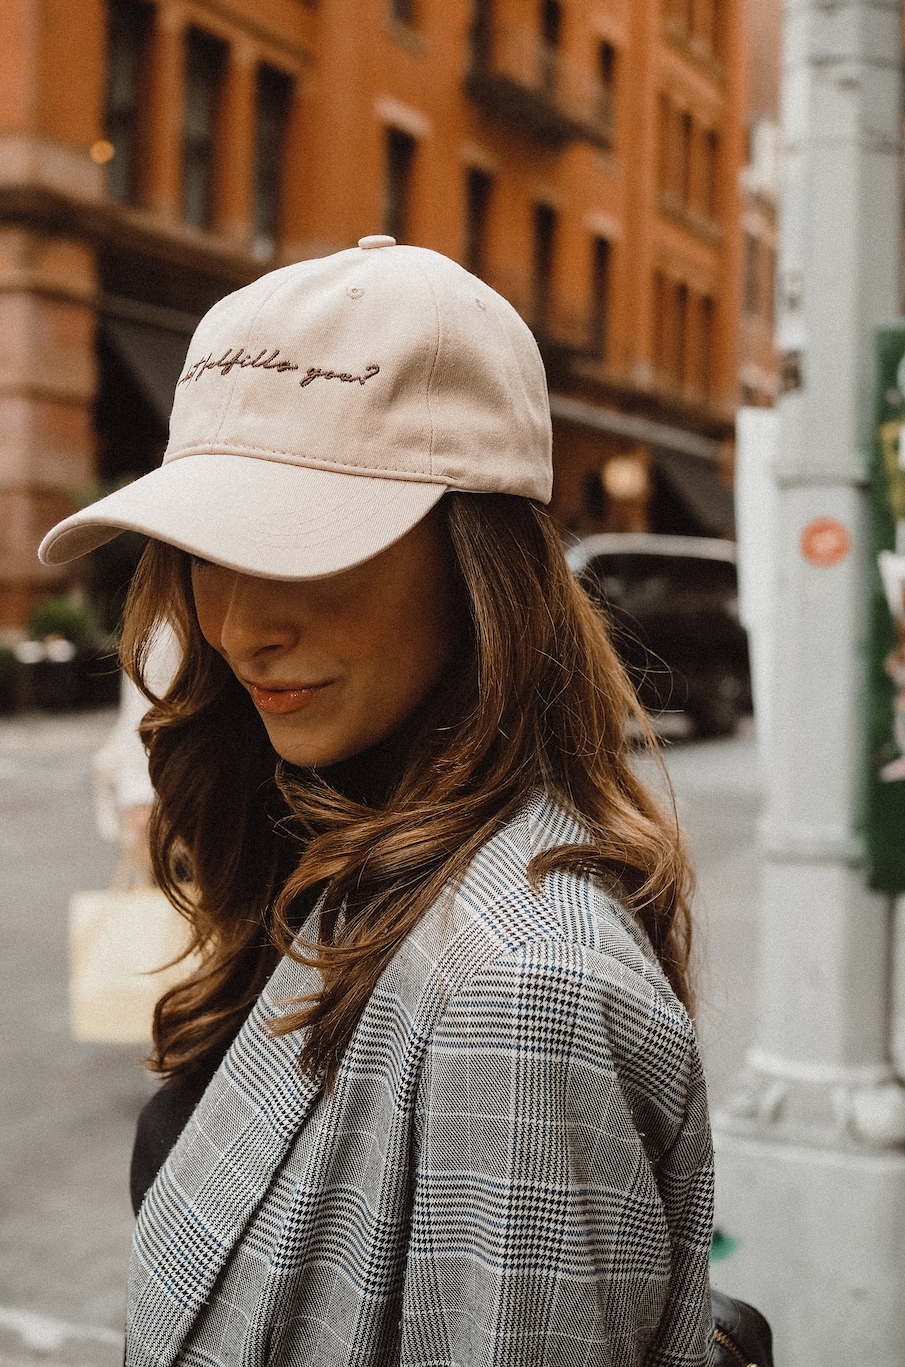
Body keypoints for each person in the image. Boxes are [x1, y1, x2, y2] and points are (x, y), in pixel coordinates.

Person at [40, 237, 714, 1366]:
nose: (238, 625)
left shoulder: (522, 989)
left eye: (299, 547)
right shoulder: (335, 840)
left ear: (477, 562)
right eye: (205, 550)